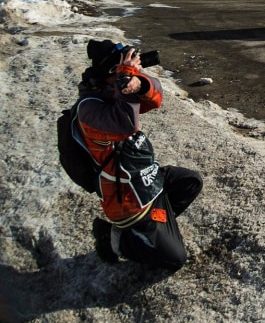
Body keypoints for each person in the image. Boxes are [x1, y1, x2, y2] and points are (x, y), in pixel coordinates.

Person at [74, 39, 203, 271]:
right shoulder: (89, 109)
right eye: (123, 69)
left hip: (145, 181)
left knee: (190, 182)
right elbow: (126, 124)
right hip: (125, 200)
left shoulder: (111, 92)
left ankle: (156, 226)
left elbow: (155, 98)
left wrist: (138, 84)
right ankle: (115, 240)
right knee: (175, 259)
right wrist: (126, 78)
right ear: (112, 72)